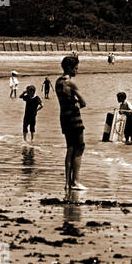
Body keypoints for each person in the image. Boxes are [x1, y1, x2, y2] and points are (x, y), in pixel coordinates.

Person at [55, 54, 87, 200]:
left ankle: (67, 182)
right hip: (74, 118)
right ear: (69, 68)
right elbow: (83, 102)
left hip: (63, 117)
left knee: (70, 149)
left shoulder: (57, 82)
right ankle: (75, 181)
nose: (77, 70)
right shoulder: (71, 84)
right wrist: (77, 103)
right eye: (76, 68)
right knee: (79, 147)